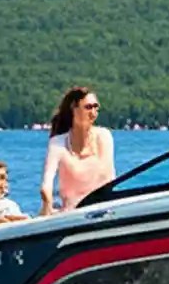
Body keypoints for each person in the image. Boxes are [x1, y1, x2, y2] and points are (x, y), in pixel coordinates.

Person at [40, 86, 116, 214]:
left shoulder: (104, 137)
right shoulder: (58, 144)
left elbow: (109, 178)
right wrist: (48, 205)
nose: (93, 113)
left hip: (104, 209)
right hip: (72, 214)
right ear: (73, 109)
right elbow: (47, 184)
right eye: (88, 107)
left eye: (96, 107)